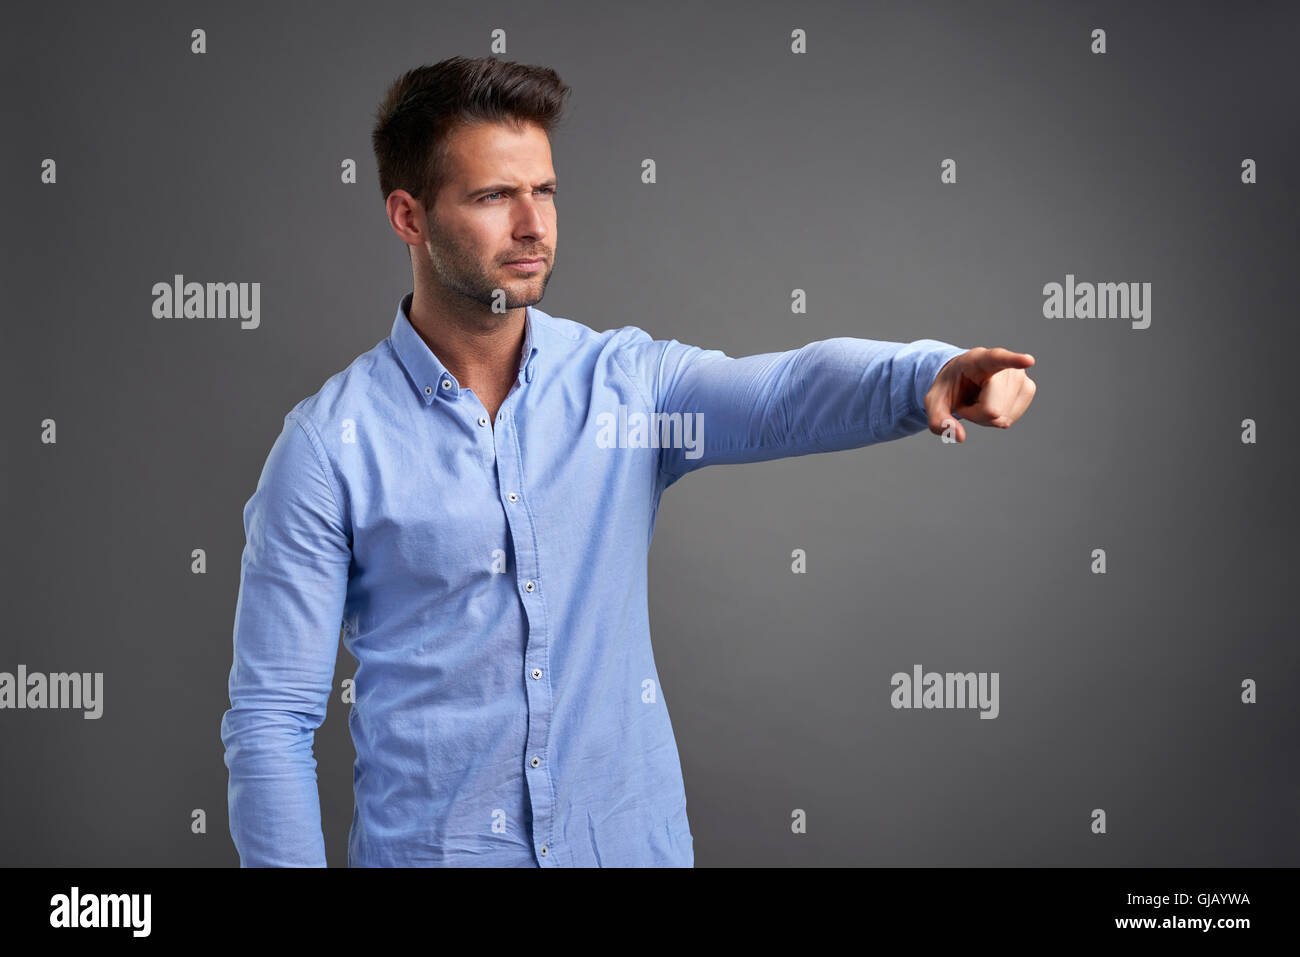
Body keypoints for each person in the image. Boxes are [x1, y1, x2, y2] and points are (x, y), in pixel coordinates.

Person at [219, 55, 1037, 868]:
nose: (533, 223)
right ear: (409, 217)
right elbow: (270, 721)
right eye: (494, 196)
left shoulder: (628, 387)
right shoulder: (327, 449)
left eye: (543, 190)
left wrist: (929, 370)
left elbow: (787, 389)